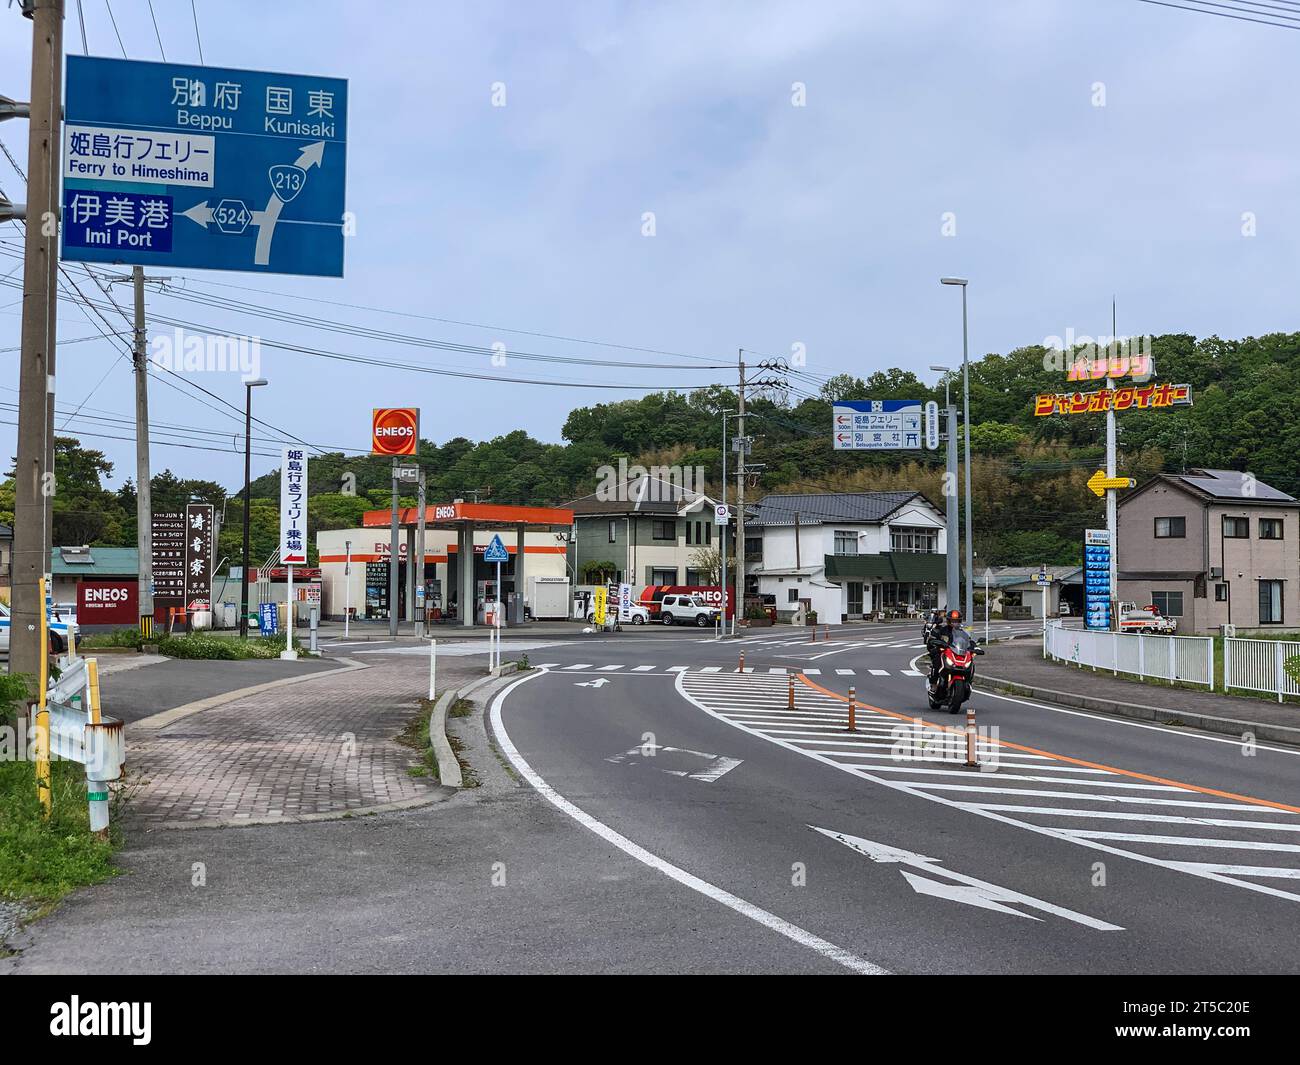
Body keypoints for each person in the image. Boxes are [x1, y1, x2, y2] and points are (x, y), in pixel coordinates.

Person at [926, 608, 963, 688]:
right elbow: (933, 638)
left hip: (956, 653)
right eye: (952, 621)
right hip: (944, 652)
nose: (954, 623)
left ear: (960, 621)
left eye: (956, 621)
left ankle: (967, 682)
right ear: (948, 621)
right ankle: (934, 683)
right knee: (937, 661)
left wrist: (974, 647)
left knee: (969, 663)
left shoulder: (962, 632)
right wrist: (935, 641)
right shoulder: (942, 630)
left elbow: (968, 640)